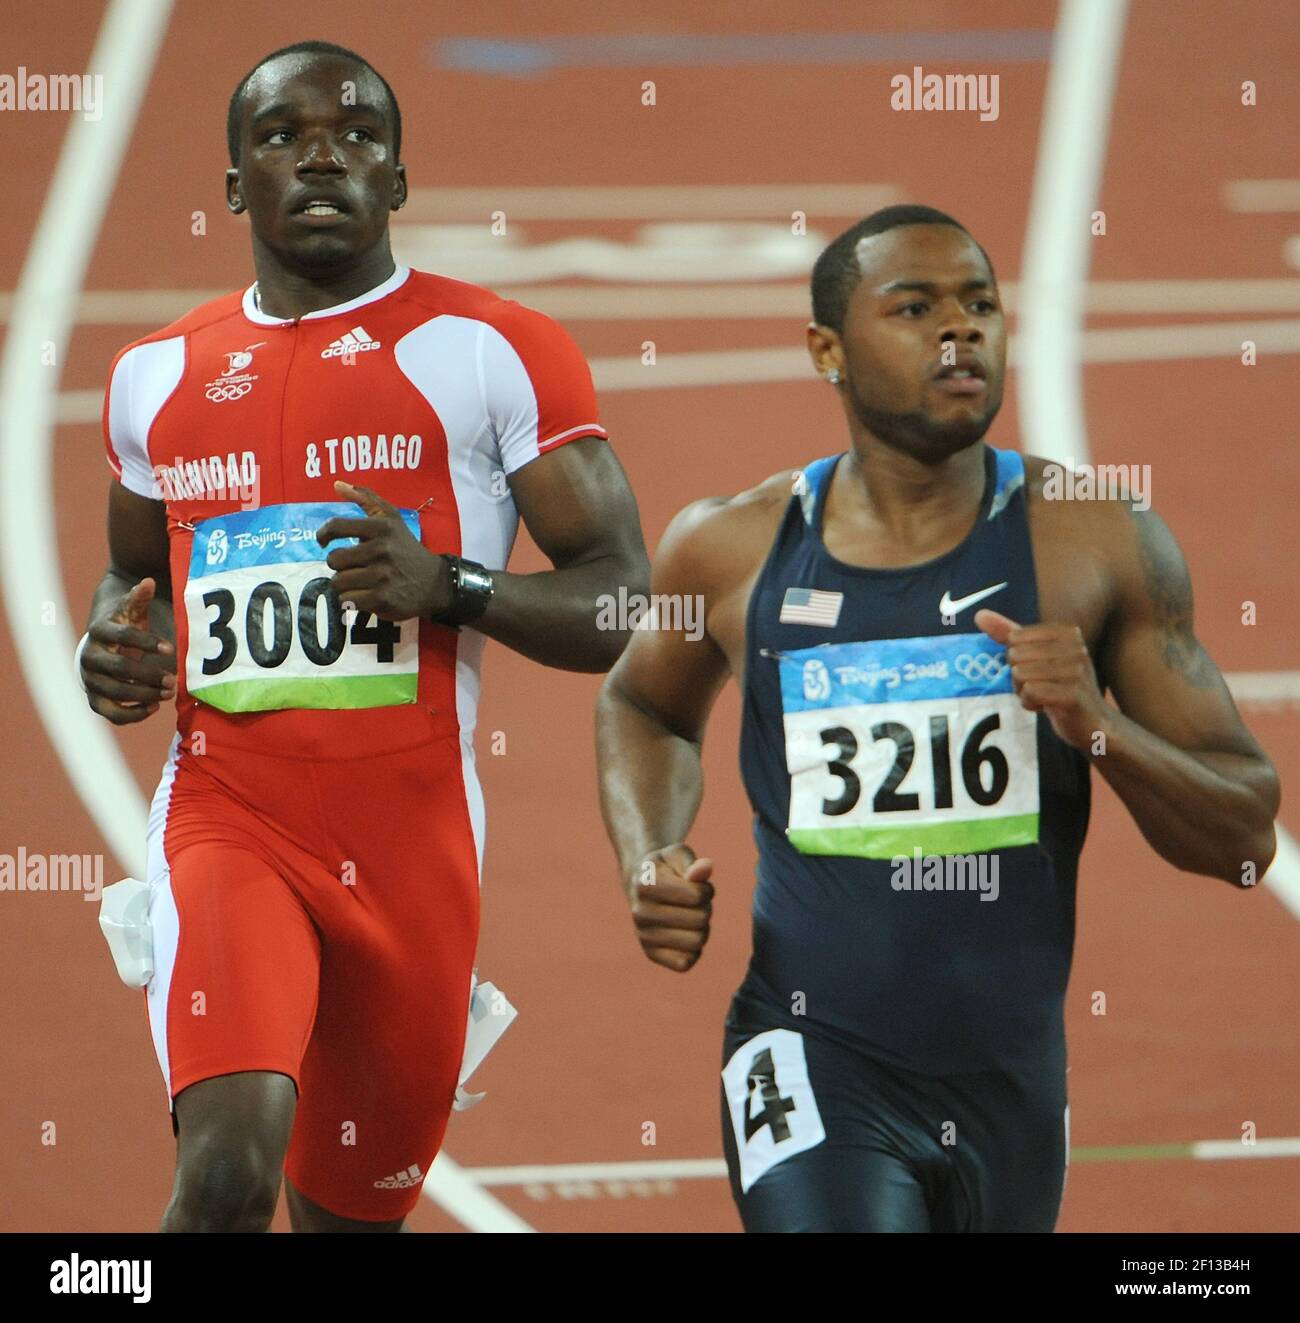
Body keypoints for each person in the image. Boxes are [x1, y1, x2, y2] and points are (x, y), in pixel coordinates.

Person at [594, 204, 1279, 1232]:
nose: (958, 332)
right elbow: (643, 702)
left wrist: (1096, 725)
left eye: (979, 305)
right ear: (826, 349)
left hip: (1008, 1090)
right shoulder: (732, 548)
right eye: (914, 309)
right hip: (808, 1053)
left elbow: (1242, 842)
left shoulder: (1099, 545)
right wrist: (650, 852)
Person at [79, 40, 648, 1232]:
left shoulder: (494, 352)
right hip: (227, 818)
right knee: (227, 1175)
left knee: (349, 1218)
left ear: (397, 177)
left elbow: (622, 602)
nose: (323, 153)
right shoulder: (156, 376)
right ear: (236, 183)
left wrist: (450, 586)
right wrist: (114, 647)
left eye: (358, 134)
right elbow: (134, 577)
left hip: (415, 856)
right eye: (283, 135)